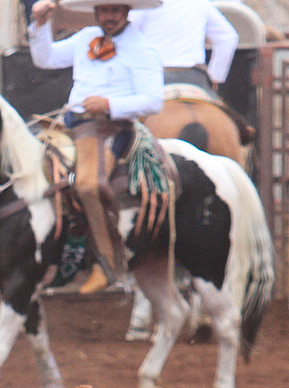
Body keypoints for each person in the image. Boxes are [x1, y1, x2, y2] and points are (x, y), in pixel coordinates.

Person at [29, 0, 165, 293]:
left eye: (116, 11)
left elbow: (154, 99)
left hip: (109, 128)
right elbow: (46, 58)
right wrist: (40, 26)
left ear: (127, 12)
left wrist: (110, 104)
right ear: (97, 13)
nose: (110, 17)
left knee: (88, 185)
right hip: (70, 125)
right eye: (104, 11)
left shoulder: (142, 48)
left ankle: (107, 265)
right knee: (28, 167)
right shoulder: (83, 38)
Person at [129, 0, 238, 95]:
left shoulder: (145, 3)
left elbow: (128, 35)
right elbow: (228, 38)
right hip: (194, 77)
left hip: (154, 76)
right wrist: (215, 77)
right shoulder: (200, 2)